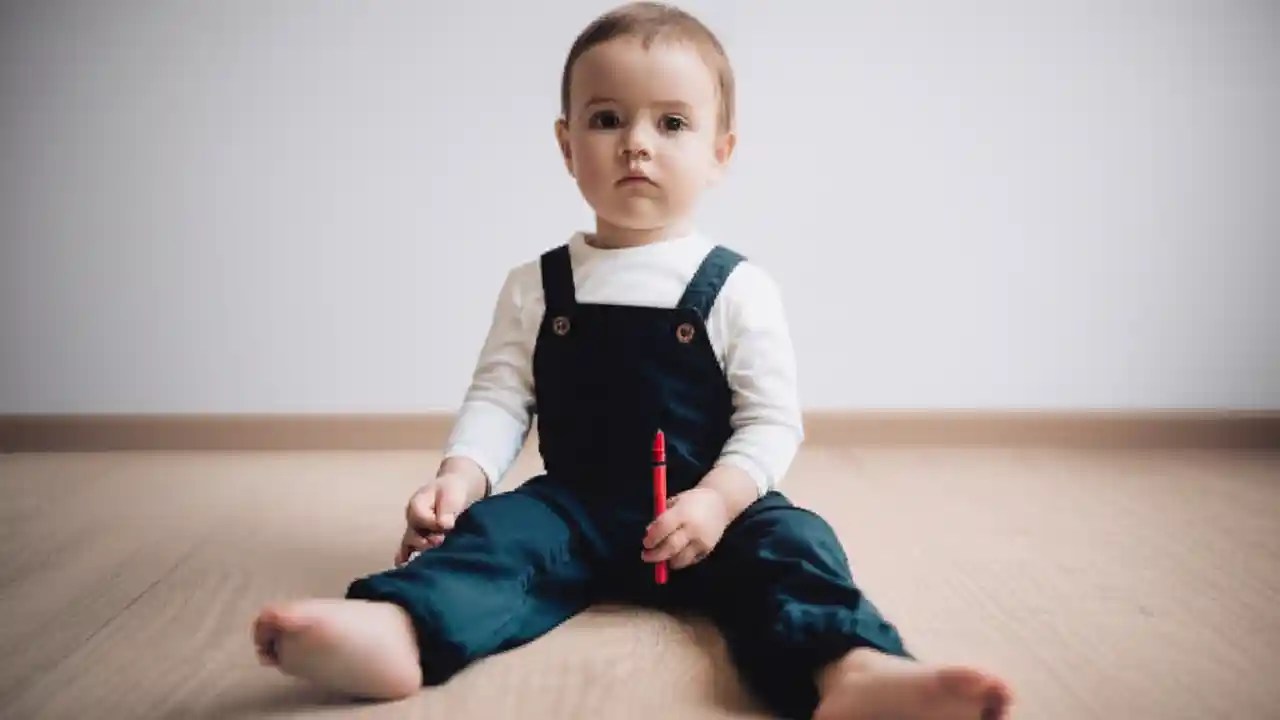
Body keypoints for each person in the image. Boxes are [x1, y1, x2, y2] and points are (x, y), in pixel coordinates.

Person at [252, 3, 1014, 718]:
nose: (637, 142)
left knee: (798, 543)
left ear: (721, 154)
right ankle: (400, 628)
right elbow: (500, 397)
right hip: (574, 506)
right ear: (566, 145)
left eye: (672, 122)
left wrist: (716, 501)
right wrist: (460, 476)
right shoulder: (536, 285)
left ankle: (850, 668)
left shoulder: (738, 288)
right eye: (607, 119)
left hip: (711, 514)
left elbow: (772, 422)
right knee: (493, 535)